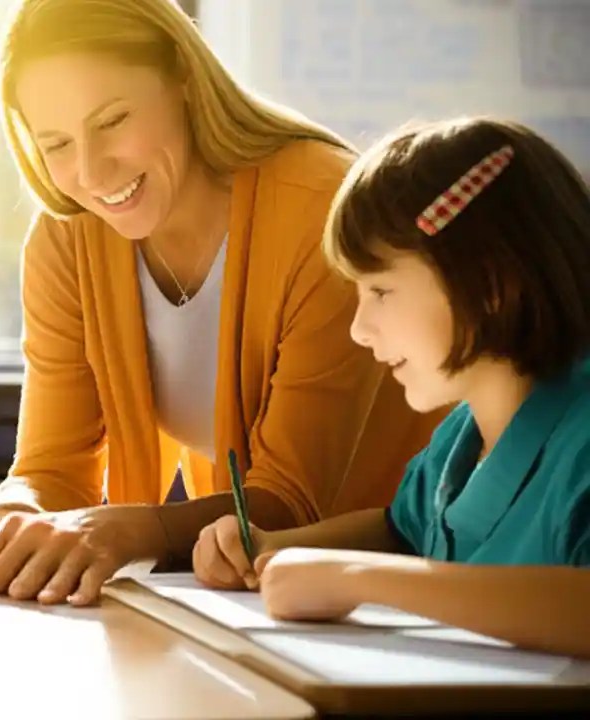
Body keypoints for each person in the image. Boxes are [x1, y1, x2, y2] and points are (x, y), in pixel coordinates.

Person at [0, 0, 440, 605]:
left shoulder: (319, 210)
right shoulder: (67, 238)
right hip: (250, 592)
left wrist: (132, 530)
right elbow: (52, 471)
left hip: (411, 572)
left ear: (183, 78)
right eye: (56, 143)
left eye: (112, 122)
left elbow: (291, 501)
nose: (90, 171)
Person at [193, 118, 590, 659]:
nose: (359, 329)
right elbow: (401, 530)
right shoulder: (459, 440)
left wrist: (359, 577)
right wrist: (272, 549)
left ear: (491, 282)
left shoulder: (581, 439)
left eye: (380, 290)